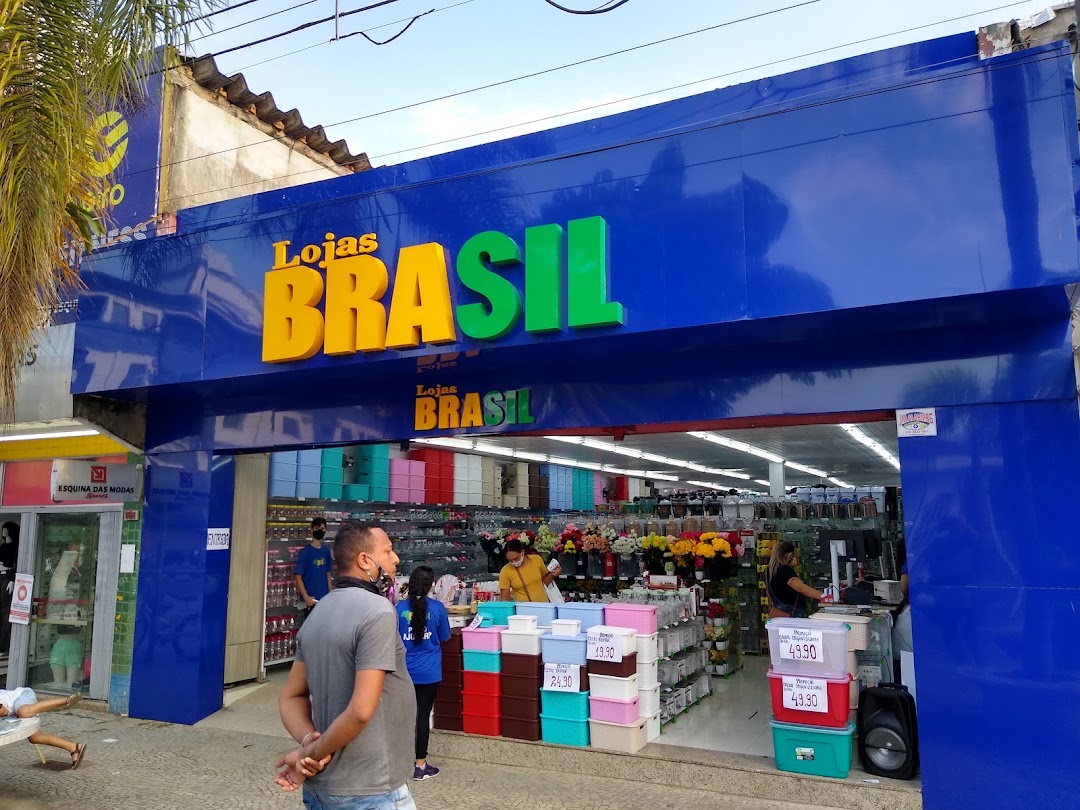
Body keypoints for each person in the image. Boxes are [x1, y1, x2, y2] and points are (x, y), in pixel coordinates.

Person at [276, 522, 417, 809]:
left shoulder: (318, 612)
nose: (396, 559)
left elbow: (290, 696)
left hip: (323, 790)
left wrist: (307, 743)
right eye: (388, 551)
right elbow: (361, 711)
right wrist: (313, 752)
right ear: (365, 560)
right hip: (372, 789)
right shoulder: (377, 611)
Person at [396, 565, 451, 781]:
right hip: (429, 673)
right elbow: (444, 636)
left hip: (403, 671)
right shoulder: (437, 609)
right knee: (422, 717)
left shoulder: (398, 609)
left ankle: (399, 762)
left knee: (402, 717)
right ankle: (420, 765)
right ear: (432, 585)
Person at [0, 689, 86, 769]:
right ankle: (74, 748)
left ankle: (67, 700)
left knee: (24, 712)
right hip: (14, 713)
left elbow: (3, 710)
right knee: (35, 738)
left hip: (21, 696)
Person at [767, 540, 824, 618]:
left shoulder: (768, 570)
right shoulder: (785, 570)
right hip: (792, 612)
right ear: (789, 555)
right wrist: (824, 596)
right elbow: (801, 588)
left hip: (778, 612)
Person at [294, 517, 333, 619]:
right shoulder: (305, 552)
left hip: (325, 600)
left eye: (322, 528)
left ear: (326, 530)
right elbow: (298, 577)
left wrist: (331, 594)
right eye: (317, 528)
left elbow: (328, 573)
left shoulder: (326, 551)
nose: (320, 530)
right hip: (311, 601)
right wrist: (306, 597)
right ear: (311, 531)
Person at [0, 522, 19, 655]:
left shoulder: (16, 547)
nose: (4, 531)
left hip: (7, 578)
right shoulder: (2, 546)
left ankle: (3, 647)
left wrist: (12, 579)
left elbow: (16, 564)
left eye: (6, 529)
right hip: (1, 577)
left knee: (5, 612)